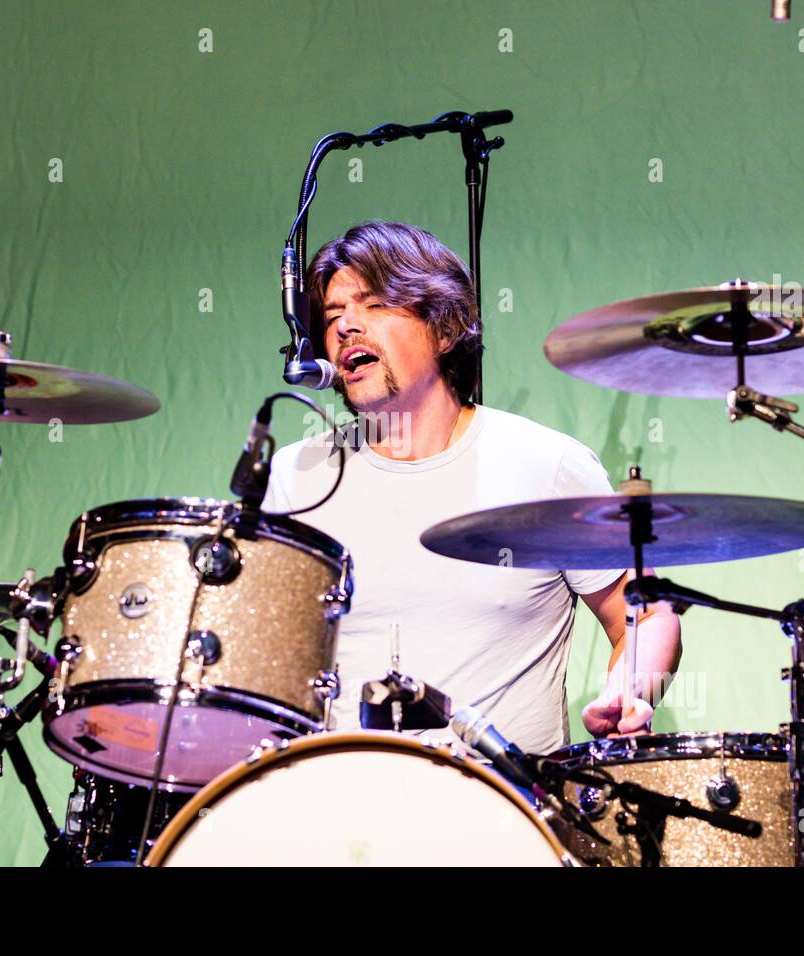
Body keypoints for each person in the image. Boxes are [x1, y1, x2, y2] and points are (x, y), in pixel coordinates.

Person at [263, 221, 681, 754]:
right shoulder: (295, 476)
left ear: (444, 328)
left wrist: (630, 691)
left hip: (508, 811)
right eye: (332, 316)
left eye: (372, 306)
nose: (346, 327)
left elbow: (643, 612)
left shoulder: (547, 466)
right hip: (340, 802)